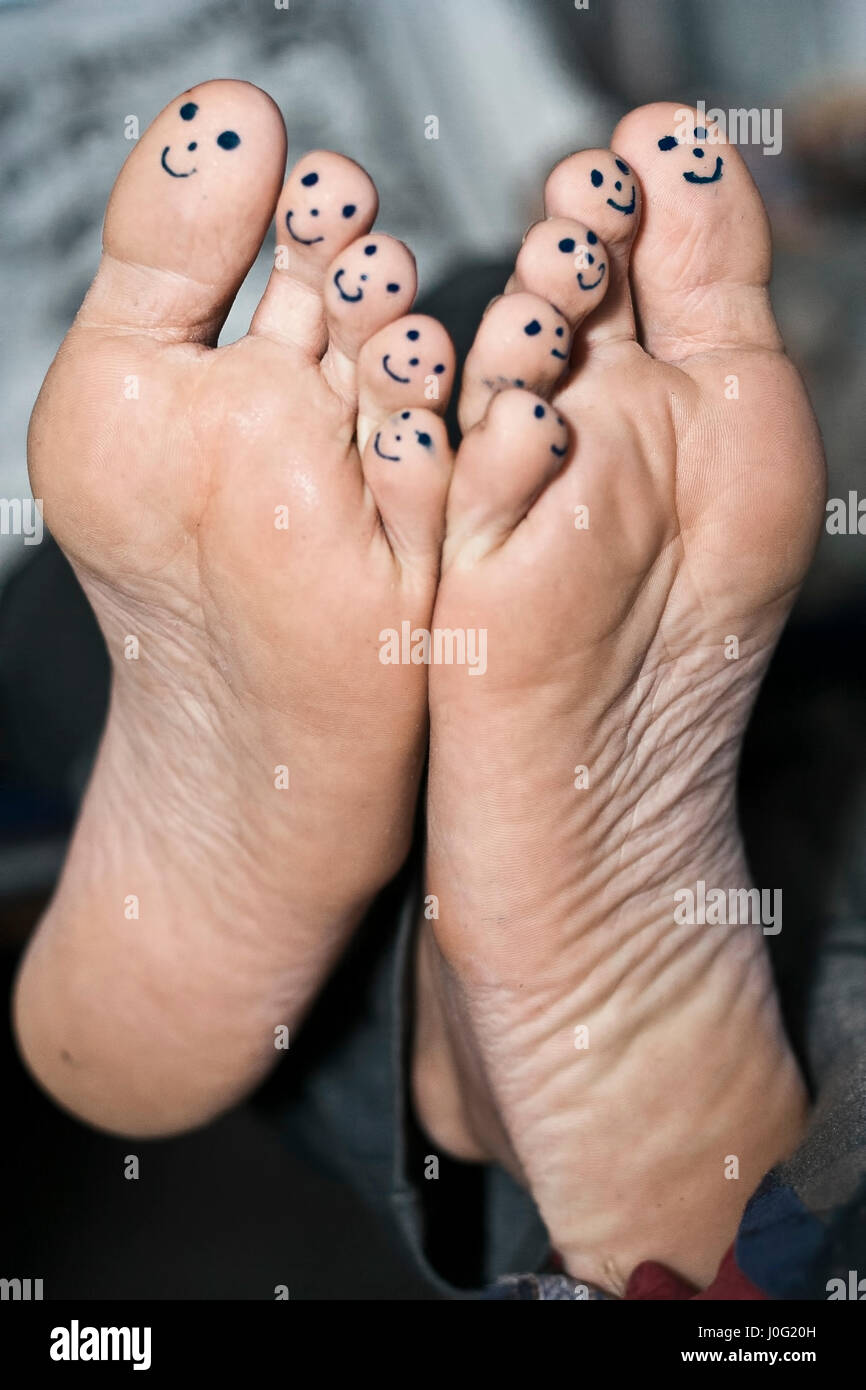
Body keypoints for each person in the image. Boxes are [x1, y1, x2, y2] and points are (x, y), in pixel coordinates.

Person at [11, 80, 837, 1298]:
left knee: (491, 399)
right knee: (478, 432)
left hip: (378, 389)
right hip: (236, 446)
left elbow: (559, 178)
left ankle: (429, 1004)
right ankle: (465, 1028)